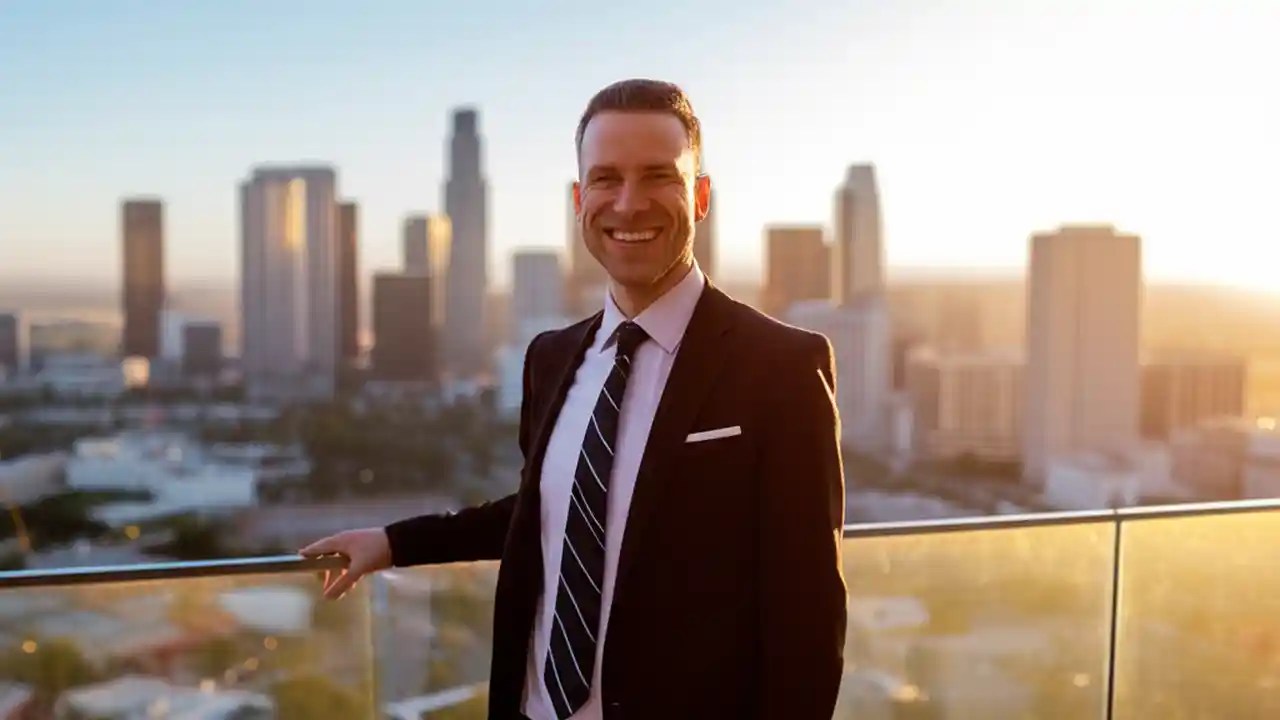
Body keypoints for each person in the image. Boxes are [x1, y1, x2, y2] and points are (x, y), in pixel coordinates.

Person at [301, 78, 847, 720]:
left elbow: (807, 616)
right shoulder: (551, 358)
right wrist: (396, 542)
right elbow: (553, 509)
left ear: (699, 196)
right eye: (607, 178)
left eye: (658, 178)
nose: (630, 203)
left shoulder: (781, 367)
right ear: (578, 199)